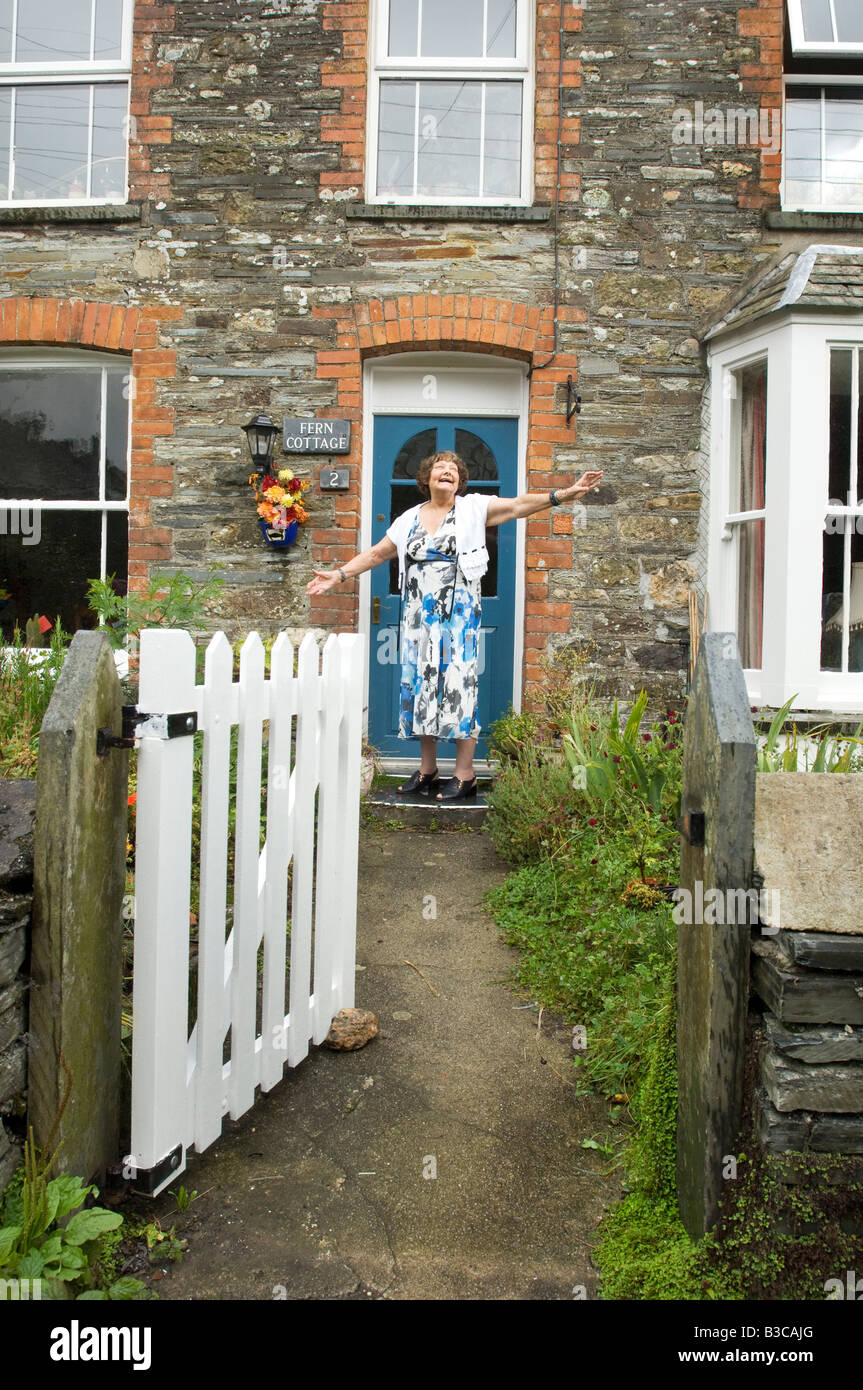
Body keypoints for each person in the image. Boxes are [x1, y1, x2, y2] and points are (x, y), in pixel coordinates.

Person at [306, 451, 603, 800]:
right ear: (427, 478)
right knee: (421, 685)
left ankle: (465, 774)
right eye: (439, 468)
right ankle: (428, 769)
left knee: (458, 684)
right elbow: (376, 554)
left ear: (460, 481)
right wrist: (338, 575)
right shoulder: (408, 519)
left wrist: (561, 495)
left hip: (458, 616)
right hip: (417, 618)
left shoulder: (473, 509)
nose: (446, 472)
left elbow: (519, 505)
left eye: (453, 470)